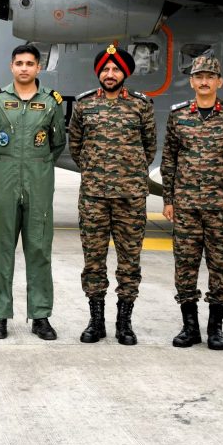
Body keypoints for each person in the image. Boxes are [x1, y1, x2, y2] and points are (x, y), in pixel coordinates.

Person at [160, 52, 223, 351]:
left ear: (219, 82)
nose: (204, 81)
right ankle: (190, 328)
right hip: (186, 205)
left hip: (221, 206)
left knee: (220, 266)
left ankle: (216, 328)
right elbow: (169, 160)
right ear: (191, 82)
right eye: (199, 77)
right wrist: (168, 199)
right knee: (185, 266)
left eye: (209, 77)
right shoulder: (178, 116)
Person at [68, 44, 156, 345]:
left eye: (115, 68)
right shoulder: (84, 105)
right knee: (94, 260)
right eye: (105, 69)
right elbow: (76, 147)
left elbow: (149, 149)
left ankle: (124, 322)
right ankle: (95, 321)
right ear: (98, 73)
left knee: (129, 261)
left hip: (130, 197)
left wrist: (126, 174)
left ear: (125, 73)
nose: (109, 74)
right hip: (93, 197)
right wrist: (97, 172)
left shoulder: (141, 106)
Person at [0, 44, 66, 340]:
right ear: (11, 66)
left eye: (30, 63)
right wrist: (5, 171)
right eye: (19, 63)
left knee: (39, 249)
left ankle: (40, 315)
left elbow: (57, 144)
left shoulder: (52, 103)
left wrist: (36, 169)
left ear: (38, 68)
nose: (25, 68)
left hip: (38, 181)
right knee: (0, 249)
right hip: (4, 181)